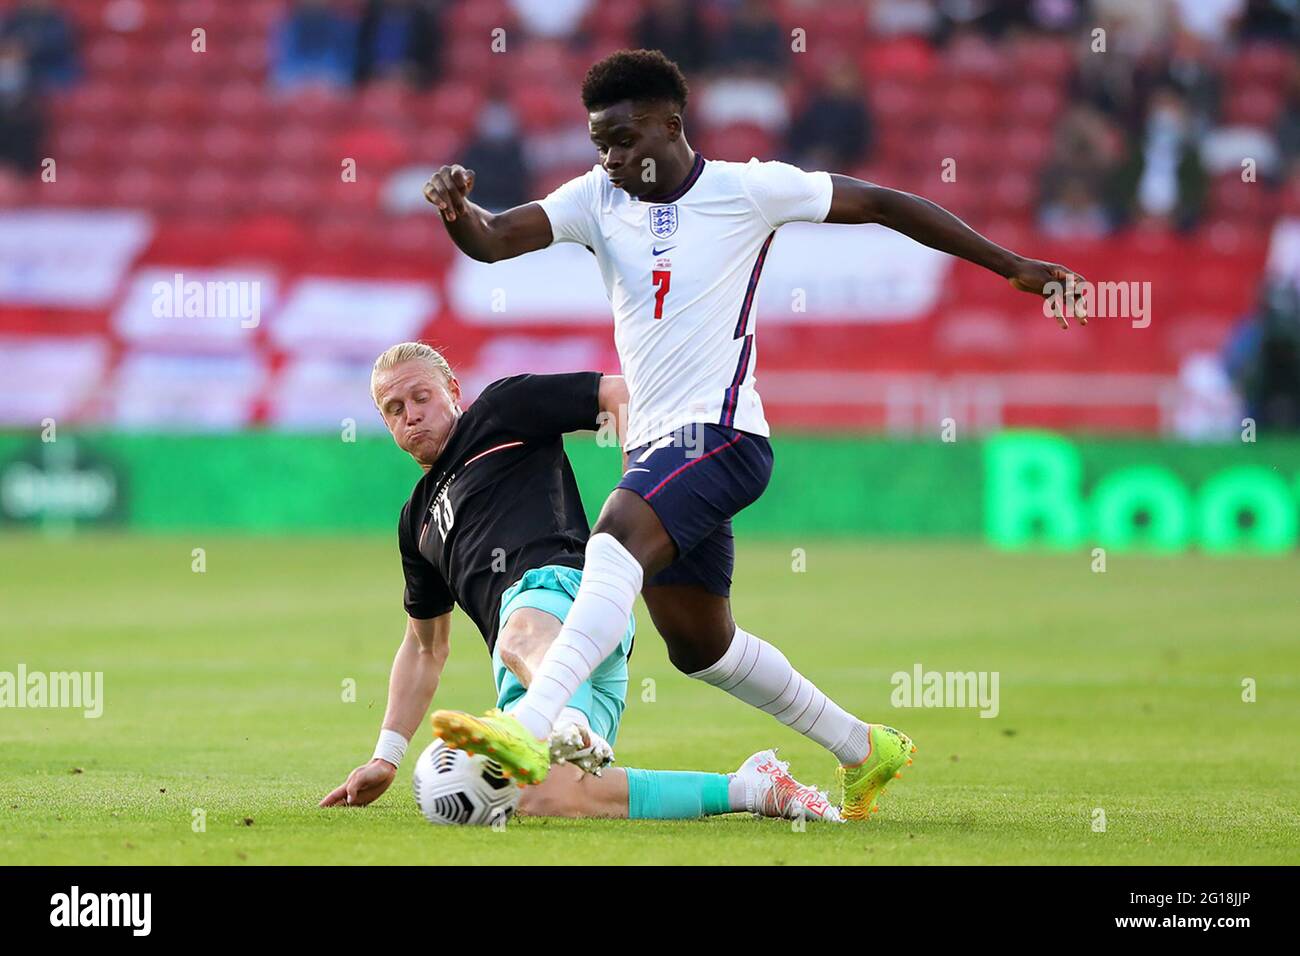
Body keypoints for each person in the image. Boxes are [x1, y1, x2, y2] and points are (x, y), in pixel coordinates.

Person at [422, 49, 1086, 819]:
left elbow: (881, 203)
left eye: (626, 138)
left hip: (724, 435)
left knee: (612, 541)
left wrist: (1010, 265)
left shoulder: (748, 188)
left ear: (672, 125)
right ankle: (866, 749)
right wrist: (456, 212)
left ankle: (528, 726)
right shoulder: (595, 198)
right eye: (600, 142)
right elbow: (496, 238)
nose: (611, 157)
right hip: (657, 449)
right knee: (701, 646)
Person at [319, 342, 840, 822]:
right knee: (547, 797)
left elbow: (616, 391)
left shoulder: (500, 411)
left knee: (517, 628)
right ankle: (753, 789)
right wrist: (385, 757)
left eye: (421, 396)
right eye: (395, 409)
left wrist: (642, 491)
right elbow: (424, 648)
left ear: (453, 391)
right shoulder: (416, 522)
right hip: (539, 660)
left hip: (563, 596)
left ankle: (562, 713)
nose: (411, 414)